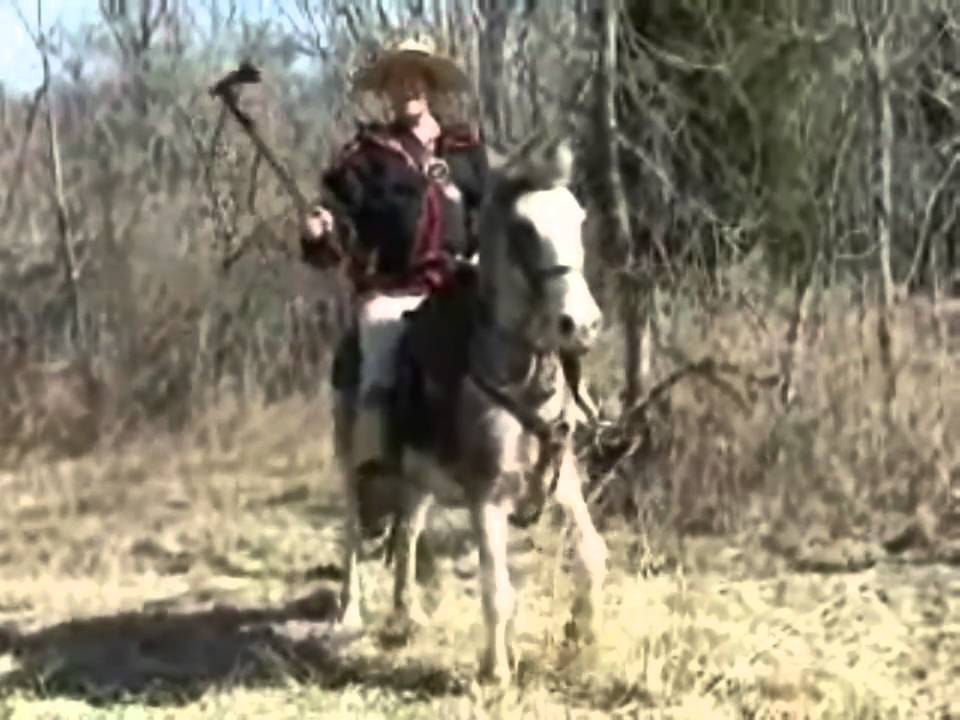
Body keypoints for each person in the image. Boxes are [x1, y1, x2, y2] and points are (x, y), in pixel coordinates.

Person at [300, 36, 490, 480]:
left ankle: (551, 444)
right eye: (397, 82)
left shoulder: (467, 148)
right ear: (386, 91)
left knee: (522, 341)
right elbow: (339, 221)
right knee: (381, 370)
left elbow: (492, 208)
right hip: (394, 292)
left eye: (416, 80)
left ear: (430, 86)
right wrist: (321, 230)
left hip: (462, 283)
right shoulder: (365, 157)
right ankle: (375, 481)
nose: (408, 89)